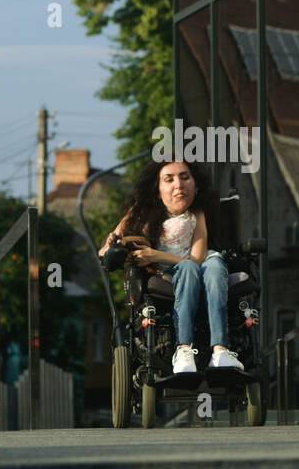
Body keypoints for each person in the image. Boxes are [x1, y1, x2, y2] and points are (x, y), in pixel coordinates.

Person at [98, 160, 243, 373]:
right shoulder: (140, 213)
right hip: (170, 272)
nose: (179, 184)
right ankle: (184, 349)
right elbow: (104, 251)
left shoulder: (197, 214)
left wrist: (155, 255)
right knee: (188, 269)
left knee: (214, 266)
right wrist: (113, 245)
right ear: (157, 190)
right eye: (169, 179)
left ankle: (220, 350)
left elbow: (197, 257)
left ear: (195, 185)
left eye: (185, 177)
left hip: (199, 263)